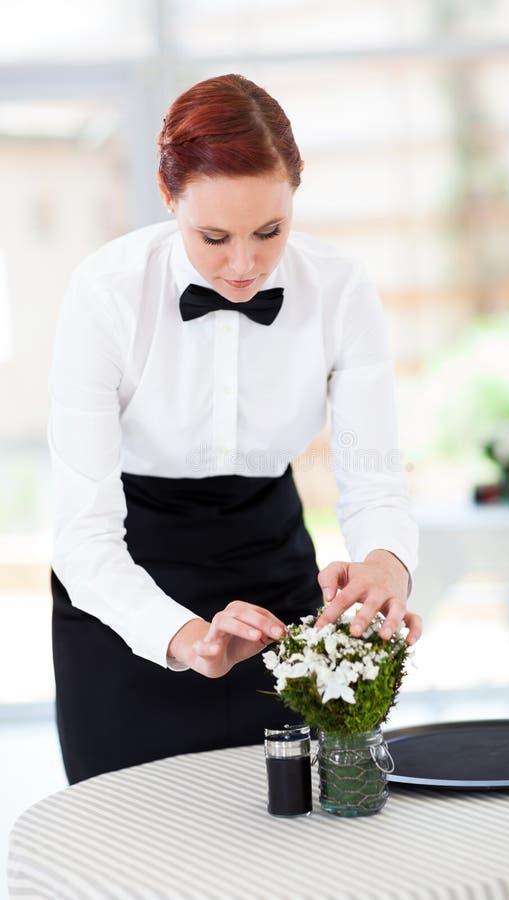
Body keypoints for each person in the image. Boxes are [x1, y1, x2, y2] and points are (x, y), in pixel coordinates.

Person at [48, 73, 421, 786]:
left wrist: (385, 565)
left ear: (295, 194)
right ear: (168, 200)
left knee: (295, 831)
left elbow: (374, 475)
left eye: (270, 231)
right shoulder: (104, 293)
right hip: (124, 585)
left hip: (273, 571)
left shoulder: (341, 292)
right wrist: (184, 637)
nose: (244, 265)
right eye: (213, 236)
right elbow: (81, 535)